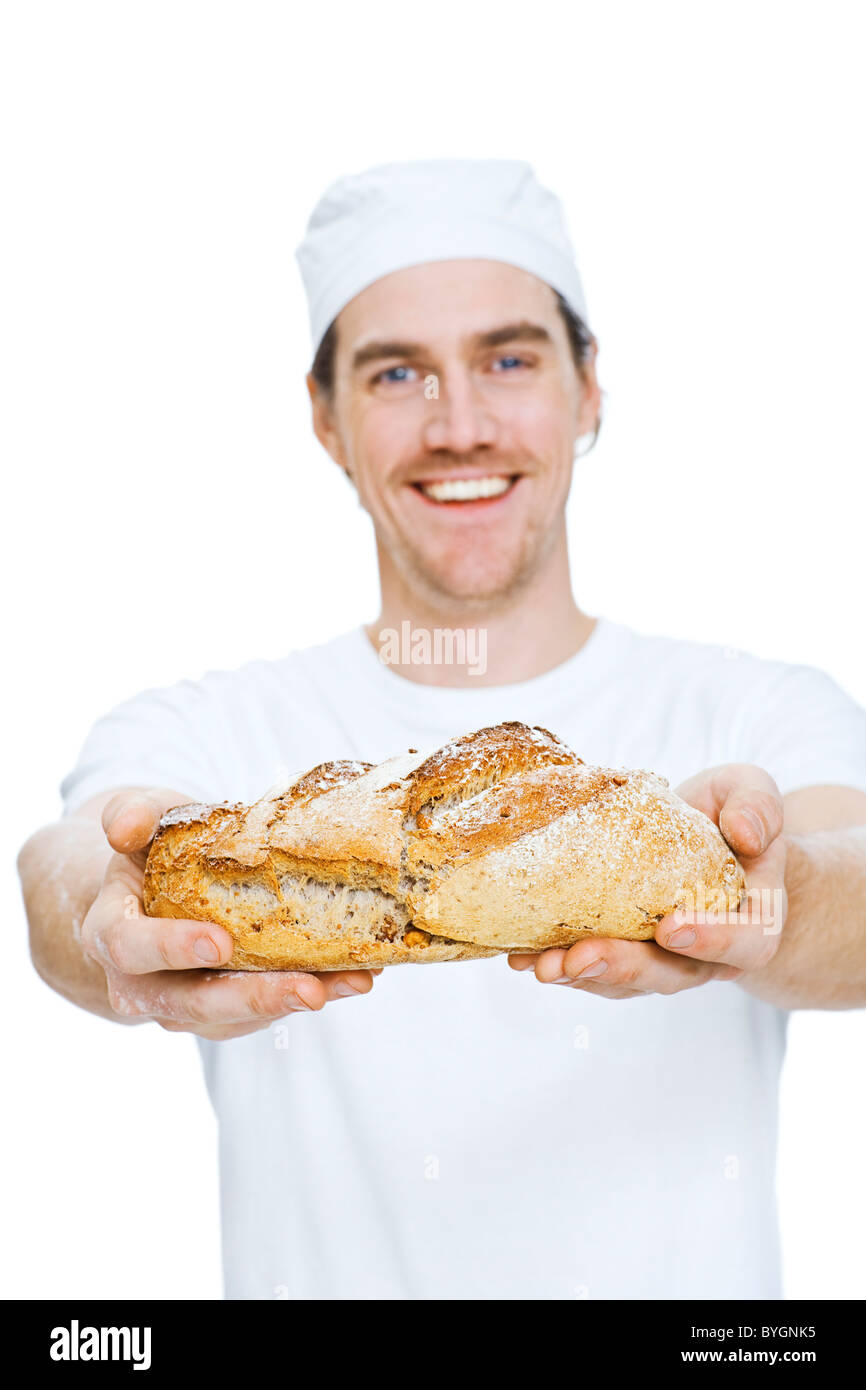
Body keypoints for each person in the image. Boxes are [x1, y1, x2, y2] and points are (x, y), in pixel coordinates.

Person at [19, 159, 866, 1301]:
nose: (458, 425)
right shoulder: (222, 733)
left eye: (507, 359)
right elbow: (71, 868)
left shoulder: (747, 709)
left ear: (589, 388)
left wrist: (778, 903)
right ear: (325, 418)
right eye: (396, 372)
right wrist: (98, 918)